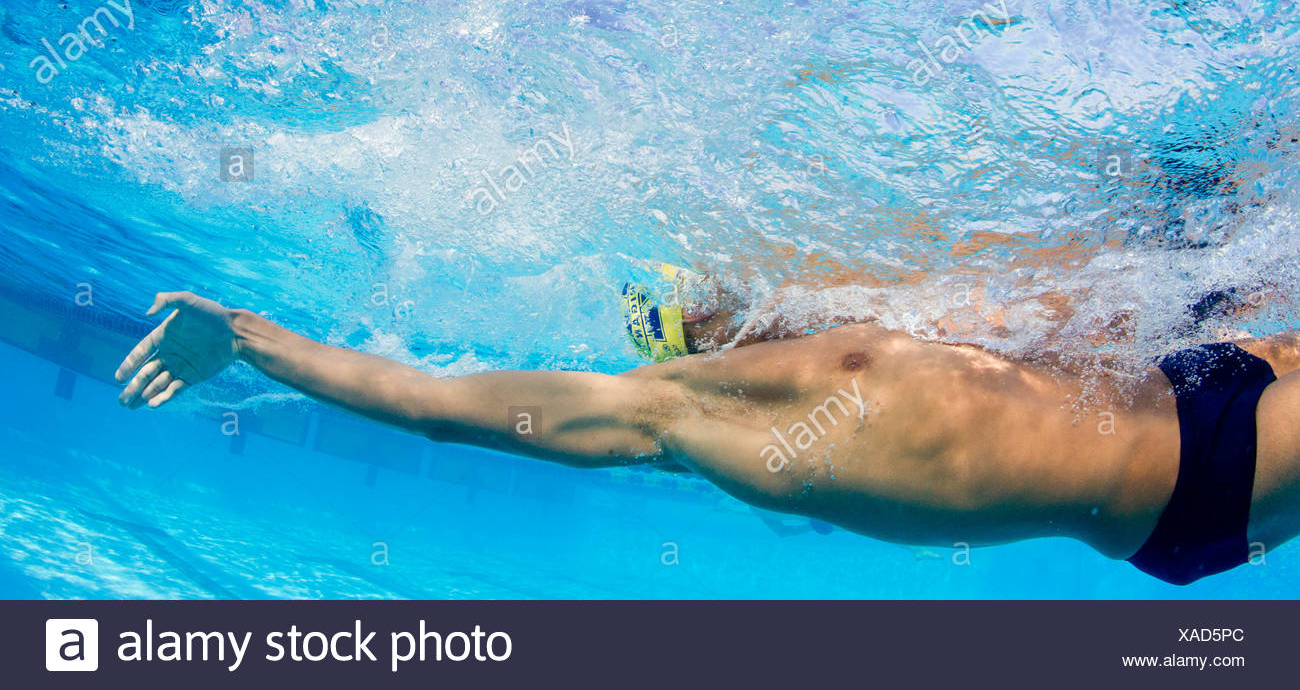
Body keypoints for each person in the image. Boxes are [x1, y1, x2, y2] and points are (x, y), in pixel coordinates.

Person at [113, 284, 1300, 586]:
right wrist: (259, 341)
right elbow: (439, 404)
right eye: (682, 309)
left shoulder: (849, 322)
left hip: (1187, 377)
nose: (716, 304)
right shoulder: (685, 410)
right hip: (1191, 478)